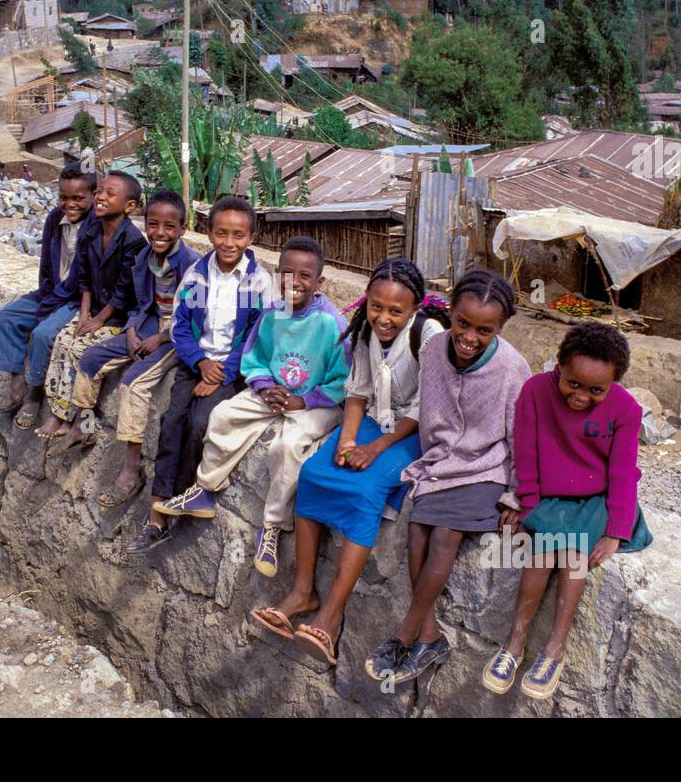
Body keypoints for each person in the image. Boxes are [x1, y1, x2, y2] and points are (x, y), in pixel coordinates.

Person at [250, 259, 448, 664]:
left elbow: (426, 408)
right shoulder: (363, 329)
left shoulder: (430, 336)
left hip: (414, 433)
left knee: (365, 489)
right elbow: (357, 393)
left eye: (396, 311)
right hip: (373, 423)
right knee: (315, 472)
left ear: (414, 308)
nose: (383, 318)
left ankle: (331, 616)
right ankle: (303, 591)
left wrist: (373, 450)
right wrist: (349, 439)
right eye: (377, 307)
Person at [364, 269, 530, 686]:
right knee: (417, 528)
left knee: (444, 535)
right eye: (463, 323)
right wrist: (438, 459)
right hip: (444, 461)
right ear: (450, 313)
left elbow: (522, 436)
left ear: (501, 328)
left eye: (484, 330)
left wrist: (517, 494)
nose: (470, 336)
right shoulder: (436, 349)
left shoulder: (512, 369)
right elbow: (433, 413)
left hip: (490, 465)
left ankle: (407, 632)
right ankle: (430, 635)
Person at [153, 237, 349, 579]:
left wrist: (304, 399)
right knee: (223, 415)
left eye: (305, 276)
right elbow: (254, 359)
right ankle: (205, 490)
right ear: (277, 274)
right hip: (274, 393)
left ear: (320, 282)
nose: (295, 283)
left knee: (288, 446)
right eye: (287, 273)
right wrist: (264, 385)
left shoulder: (331, 324)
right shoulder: (273, 314)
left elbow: (342, 381)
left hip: (315, 400)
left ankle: (271, 527)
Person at [482, 321, 652, 701]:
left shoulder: (626, 409)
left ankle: (555, 648)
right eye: (573, 384)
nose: (581, 396)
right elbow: (526, 454)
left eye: (596, 391)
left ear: (613, 384)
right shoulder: (536, 392)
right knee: (542, 550)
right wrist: (528, 505)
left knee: (574, 552)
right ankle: (515, 640)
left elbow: (623, 472)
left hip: (598, 499)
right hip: (552, 498)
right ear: (559, 365)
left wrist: (615, 532)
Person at [125, 196, 270, 555]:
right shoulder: (197, 274)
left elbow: (259, 335)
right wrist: (201, 364)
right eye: (221, 233)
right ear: (209, 233)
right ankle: (156, 511)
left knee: (201, 422)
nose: (228, 243)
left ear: (250, 237)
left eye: (238, 235)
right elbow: (181, 327)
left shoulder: (260, 280)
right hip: (197, 363)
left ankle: (185, 498)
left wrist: (222, 373)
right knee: (171, 420)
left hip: (233, 370)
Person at [46, 189, 199, 464]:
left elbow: (196, 318)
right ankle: (85, 426)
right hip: (148, 322)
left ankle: (131, 465)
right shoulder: (144, 259)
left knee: (132, 383)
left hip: (178, 332)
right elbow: (140, 304)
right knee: (90, 356)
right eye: (153, 224)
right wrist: (130, 330)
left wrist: (162, 338)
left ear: (183, 230)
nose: (159, 233)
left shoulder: (191, 267)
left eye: (169, 226)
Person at [36, 171, 146, 440]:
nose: (100, 197)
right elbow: (84, 278)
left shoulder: (133, 241)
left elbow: (123, 292)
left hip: (117, 318)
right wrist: (84, 315)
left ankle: (72, 416)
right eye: (99, 192)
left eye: (110, 194)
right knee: (63, 340)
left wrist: (97, 321)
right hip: (93, 310)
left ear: (129, 206)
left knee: (78, 348)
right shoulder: (92, 231)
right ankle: (57, 412)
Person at [0, 164, 97, 426]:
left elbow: (86, 279)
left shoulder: (96, 226)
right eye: (64, 197)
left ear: (93, 197)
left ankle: (34, 392)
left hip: (75, 298)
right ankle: (16, 383)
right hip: (51, 292)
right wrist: (44, 295)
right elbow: (46, 266)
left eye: (78, 198)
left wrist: (56, 303)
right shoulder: (54, 219)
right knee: (6, 318)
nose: (70, 204)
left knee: (42, 335)